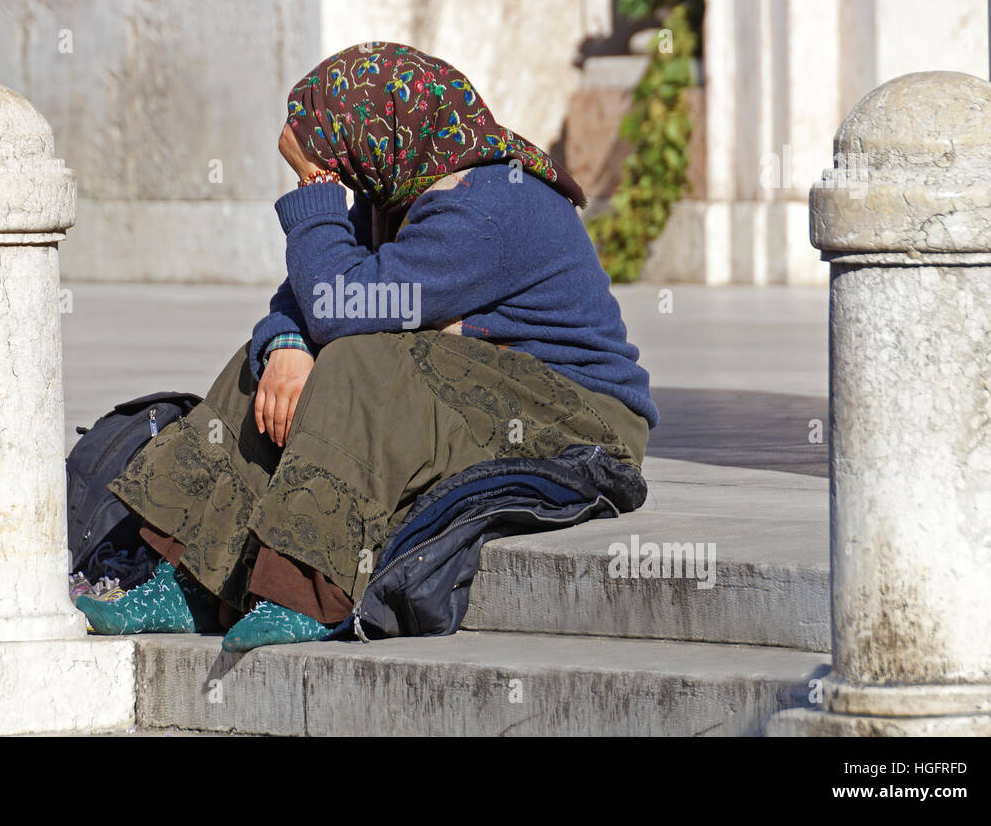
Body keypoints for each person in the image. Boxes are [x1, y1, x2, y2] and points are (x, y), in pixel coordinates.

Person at [75, 41, 658, 652]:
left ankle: (309, 589)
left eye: (335, 164)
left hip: (574, 413)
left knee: (357, 361)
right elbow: (304, 301)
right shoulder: (400, 190)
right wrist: (288, 347)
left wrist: (312, 197)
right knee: (270, 369)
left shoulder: (491, 205)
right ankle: (190, 580)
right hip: (477, 381)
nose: (339, 182)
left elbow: (338, 307)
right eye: (329, 170)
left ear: (380, 135)